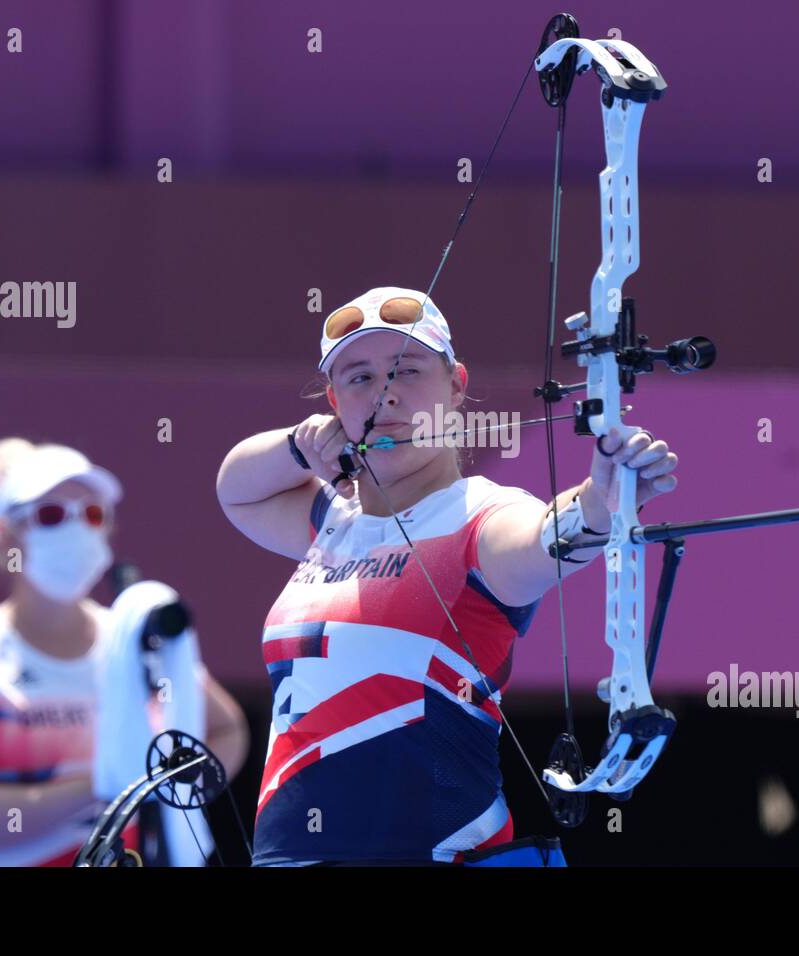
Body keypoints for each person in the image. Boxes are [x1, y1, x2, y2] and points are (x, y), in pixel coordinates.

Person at [216, 287, 678, 865]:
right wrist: (297, 447)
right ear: (334, 401)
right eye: (358, 378)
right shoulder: (331, 522)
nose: (384, 395)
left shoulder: (479, 517)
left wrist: (597, 506)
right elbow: (234, 490)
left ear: (455, 385)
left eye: (406, 369)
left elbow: (542, 539)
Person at [0, 439, 249, 865]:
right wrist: (109, 782)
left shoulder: (134, 638)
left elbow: (227, 731)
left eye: (92, 514)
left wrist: (166, 788)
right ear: (4, 535)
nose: (76, 530)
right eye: (50, 514)